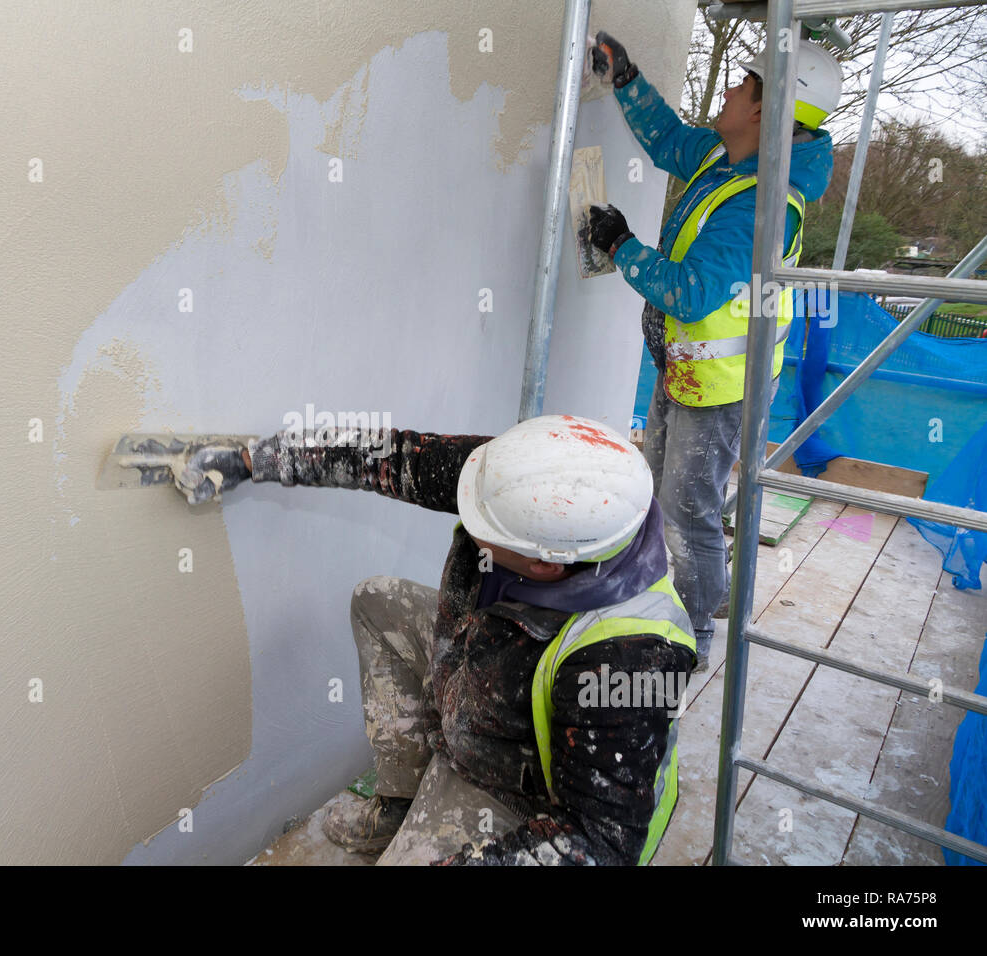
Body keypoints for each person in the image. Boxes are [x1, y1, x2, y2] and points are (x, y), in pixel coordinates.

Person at [173, 416, 695, 865]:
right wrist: (253, 459)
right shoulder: (524, 485)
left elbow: (597, 845)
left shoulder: (628, 661)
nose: (465, 514)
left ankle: (439, 803)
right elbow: (389, 456)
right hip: (476, 679)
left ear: (545, 564)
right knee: (378, 602)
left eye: (480, 525)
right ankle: (400, 803)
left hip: (519, 796)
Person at [582, 31, 840, 669]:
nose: (726, 89)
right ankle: (683, 598)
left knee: (687, 510)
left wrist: (621, 245)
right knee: (665, 495)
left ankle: (691, 636)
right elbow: (669, 139)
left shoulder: (761, 204)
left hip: (722, 387)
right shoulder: (726, 161)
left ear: (762, 107)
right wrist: (626, 78)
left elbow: (691, 293)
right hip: (688, 369)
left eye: (740, 83)